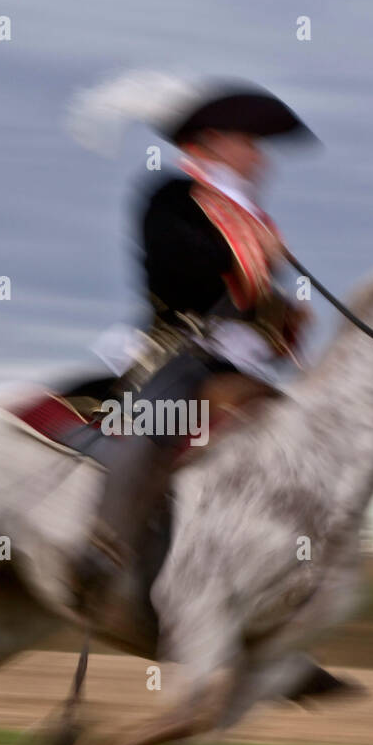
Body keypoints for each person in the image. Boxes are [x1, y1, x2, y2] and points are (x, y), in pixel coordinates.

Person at [71, 80, 319, 616]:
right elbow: (179, 274)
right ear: (209, 141)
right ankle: (102, 547)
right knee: (158, 421)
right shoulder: (171, 197)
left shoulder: (251, 218)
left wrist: (284, 314)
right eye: (248, 142)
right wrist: (258, 264)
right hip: (177, 346)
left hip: (235, 357)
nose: (259, 155)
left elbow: (251, 305)